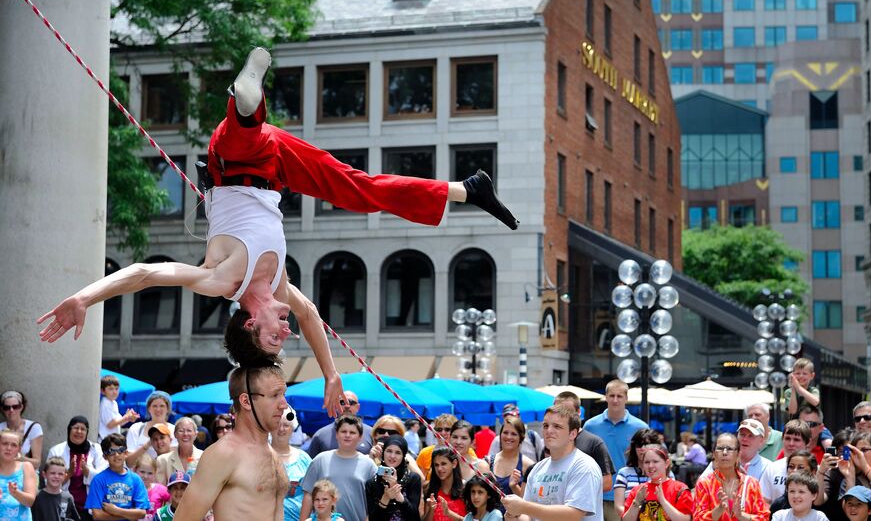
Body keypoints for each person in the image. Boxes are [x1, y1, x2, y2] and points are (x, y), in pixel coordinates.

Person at [39, 48, 517, 369]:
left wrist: (84, 298)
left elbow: (144, 272)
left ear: (251, 323)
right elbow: (311, 320)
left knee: (244, 128)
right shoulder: (280, 288)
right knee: (359, 188)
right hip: (276, 168)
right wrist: (331, 377)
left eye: (272, 336)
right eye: (282, 340)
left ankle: (246, 101)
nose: (284, 333)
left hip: (235, 159)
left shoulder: (221, 281)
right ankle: (467, 189)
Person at [172, 364, 290, 520]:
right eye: (275, 395)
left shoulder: (271, 452)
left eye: (283, 394)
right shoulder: (223, 453)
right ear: (246, 401)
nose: (284, 404)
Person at [501, 404, 603, 521]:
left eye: (557, 426)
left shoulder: (584, 466)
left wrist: (523, 507)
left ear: (573, 434)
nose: (549, 431)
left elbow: (573, 514)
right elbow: (528, 516)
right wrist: (515, 517)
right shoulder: (537, 469)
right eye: (545, 425)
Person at [582, 379, 648, 521]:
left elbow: (650, 460)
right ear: (605, 397)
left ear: (626, 398)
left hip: (626, 496)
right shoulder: (590, 426)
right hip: (594, 494)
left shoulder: (640, 427)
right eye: (612, 396)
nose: (615, 400)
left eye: (619, 396)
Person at [300, 415, 378, 521]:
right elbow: (308, 494)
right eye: (343, 431)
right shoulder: (320, 460)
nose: (347, 435)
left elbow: (375, 502)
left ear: (360, 437)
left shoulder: (369, 465)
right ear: (336, 435)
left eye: (352, 432)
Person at [692, 432, 770, 521]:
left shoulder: (751, 483)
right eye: (720, 448)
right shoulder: (704, 483)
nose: (724, 452)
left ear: (738, 455)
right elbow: (697, 518)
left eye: (729, 449)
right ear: (714, 454)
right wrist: (720, 509)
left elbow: (764, 518)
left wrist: (741, 516)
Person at [45, 415, 107, 521]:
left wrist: (88, 472)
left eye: (83, 429)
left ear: (87, 432)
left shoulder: (96, 449)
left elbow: (104, 479)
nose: (79, 431)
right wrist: (69, 473)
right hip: (64, 507)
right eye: (75, 428)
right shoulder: (56, 451)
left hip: (90, 508)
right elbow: (48, 483)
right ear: (69, 430)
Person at [86, 433, 150, 521]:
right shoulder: (98, 480)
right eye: (111, 451)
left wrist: (117, 511)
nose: (116, 455)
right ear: (105, 456)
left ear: (126, 453)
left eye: (120, 450)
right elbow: (97, 515)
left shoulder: (136, 479)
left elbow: (142, 513)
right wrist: (129, 515)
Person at [621, 443, 692, 521]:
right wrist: (637, 502)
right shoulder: (638, 491)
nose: (650, 466)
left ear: (667, 463)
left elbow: (686, 519)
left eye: (655, 461)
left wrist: (663, 501)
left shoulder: (680, 489)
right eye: (647, 462)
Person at [365, 435, 422, 521]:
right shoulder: (372, 482)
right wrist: (386, 497)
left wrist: (397, 493)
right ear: (383, 453)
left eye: (398, 453)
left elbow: (413, 516)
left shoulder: (413, 479)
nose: (392, 456)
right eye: (389, 451)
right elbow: (373, 518)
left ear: (403, 456)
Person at [613, 428, 666, 518]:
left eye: (647, 444)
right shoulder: (624, 473)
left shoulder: (665, 473)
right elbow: (619, 506)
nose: (642, 448)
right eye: (639, 445)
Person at [271, 408, 312, 521]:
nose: (281, 429)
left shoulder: (304, 458)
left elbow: (313, 492)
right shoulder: (260, 456)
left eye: (286, 425)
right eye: (277, 424)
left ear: (293, 428)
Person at [760, 419, 814, 504]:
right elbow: (764, 502)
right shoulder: (771, 468)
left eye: (796, 440)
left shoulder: (815, 469)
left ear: (808, 442)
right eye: (787, 438)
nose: (791, 443)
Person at [699, 419, 771, 482]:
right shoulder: (722, 460)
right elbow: (700, 485)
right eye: (742, 435)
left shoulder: (768, 468)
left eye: (751, 436)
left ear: (761, 441)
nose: (745, 439)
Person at [306, 391, 374, 457]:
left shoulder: (371, 433)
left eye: (351, 402)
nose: (347, 406)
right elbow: (310, 463)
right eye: (342, 402)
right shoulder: (321, 435)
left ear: (358, 407)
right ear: (336, 405)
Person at [486, 417, 534, 497]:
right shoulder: (487, 462)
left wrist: (514, 487)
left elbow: (529, 503)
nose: (508, 437)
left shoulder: (528, 466)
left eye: (513, 434)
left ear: (521, 438)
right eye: (505, 432)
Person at [126, 392, 176, 468]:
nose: (158, 409)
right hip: (141, 477)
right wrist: (147, 445)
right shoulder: (136, 428)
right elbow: (128, 463)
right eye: (154, 406)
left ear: (168, 409)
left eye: (162, 406)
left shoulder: (175, 430)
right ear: (149, 409)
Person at [0, 391, 43, 470]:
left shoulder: (33, 427)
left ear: (21, 407)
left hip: (26, 472)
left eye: (15, 406)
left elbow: (37, 463)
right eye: (7, 407)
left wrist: (20, 458)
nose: (11, 410)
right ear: (2, 409)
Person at [0, 429, 37, 519]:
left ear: (19, 449)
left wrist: (15, 493)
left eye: (14, 445)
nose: (9, 448)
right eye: (5, 443)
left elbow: (30, 502)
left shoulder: (26, 467)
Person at [422, 447, 466, 521]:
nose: (439, 468)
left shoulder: (466, 489)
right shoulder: (428, 488)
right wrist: (431, 510)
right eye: (436, 465)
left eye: (443, 464)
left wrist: (449, 513)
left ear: (454, 464)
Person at [32, 456, 81, 521]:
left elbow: (74, 518)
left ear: (65, 476)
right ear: (44, 474)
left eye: (60, 474)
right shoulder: (36, 496)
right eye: (52, 473)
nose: (56, 476)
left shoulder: (68, 498)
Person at [155, 418, 202, 484]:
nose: (185, 434)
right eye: (181, 431)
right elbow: (161, 490)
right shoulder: (163, 460)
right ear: (175, 434)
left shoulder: (204, 457)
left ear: (195, 434)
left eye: (189, 431)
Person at [99, 375, 140, 440]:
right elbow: (110, 424)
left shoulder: (114, 403)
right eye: (110, 389)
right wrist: (126, 417)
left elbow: (119, 423)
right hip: (106, 441)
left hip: (113, 440)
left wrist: (128, 418)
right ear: (103, 391)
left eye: (116, 388)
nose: (114, 392)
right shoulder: (105, 403)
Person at [132, 455, 169, 521]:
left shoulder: (160, 489)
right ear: (135, 470)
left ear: (155, 474)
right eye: (142, 472)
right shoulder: (129, 489)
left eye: (150, 473)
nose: (146, 476)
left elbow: (175, 501)